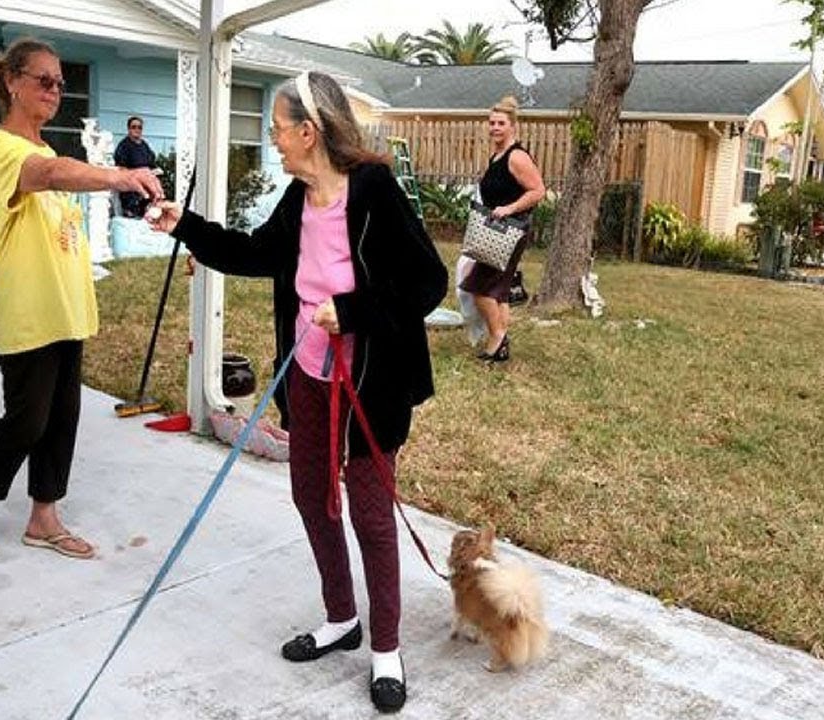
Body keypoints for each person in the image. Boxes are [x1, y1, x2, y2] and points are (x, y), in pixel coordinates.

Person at [147, 71, 447, 714]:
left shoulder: (374, 191)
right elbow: (256, 254)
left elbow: (429, 281)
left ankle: (386, 649)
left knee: (369, 515)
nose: (273, 141)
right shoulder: (299, 196)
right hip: (306, 375)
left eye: (278, 129)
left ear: (309, 132)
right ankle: (342, 618)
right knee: (312, 498)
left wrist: (355, 307)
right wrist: (185, 225)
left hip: (371, 384)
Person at [0, 38, 163, 560]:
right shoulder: (0, 149)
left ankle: (44, 517)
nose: (55, 90)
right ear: (12, 82)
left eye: (61, 83)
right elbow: (49, 176)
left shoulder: (44, 149)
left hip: (66, 311)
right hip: (30, 310)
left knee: (62, 416)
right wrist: (119, 176)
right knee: (26, 419)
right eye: (44, 80)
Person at [460, 95, 546, 362]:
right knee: (500, 290)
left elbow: (538, 191)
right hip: (497, 232)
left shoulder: (516, 156)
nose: (495, 127)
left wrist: (509, 209)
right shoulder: (497, 155)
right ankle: (500, 340)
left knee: (478, 288)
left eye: (500, 123)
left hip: (509, 232)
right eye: (492, 123)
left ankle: (498, 338)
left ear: (512, 126)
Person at [113, 115, 158, 217]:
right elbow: (121, 168)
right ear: (128, 129)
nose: (137, 129)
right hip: (131, 189)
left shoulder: (144, 145)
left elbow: (152, 163)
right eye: (134, 127)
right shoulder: (124, 146)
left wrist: (155, 171)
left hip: (146, 186)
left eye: (139, 127)